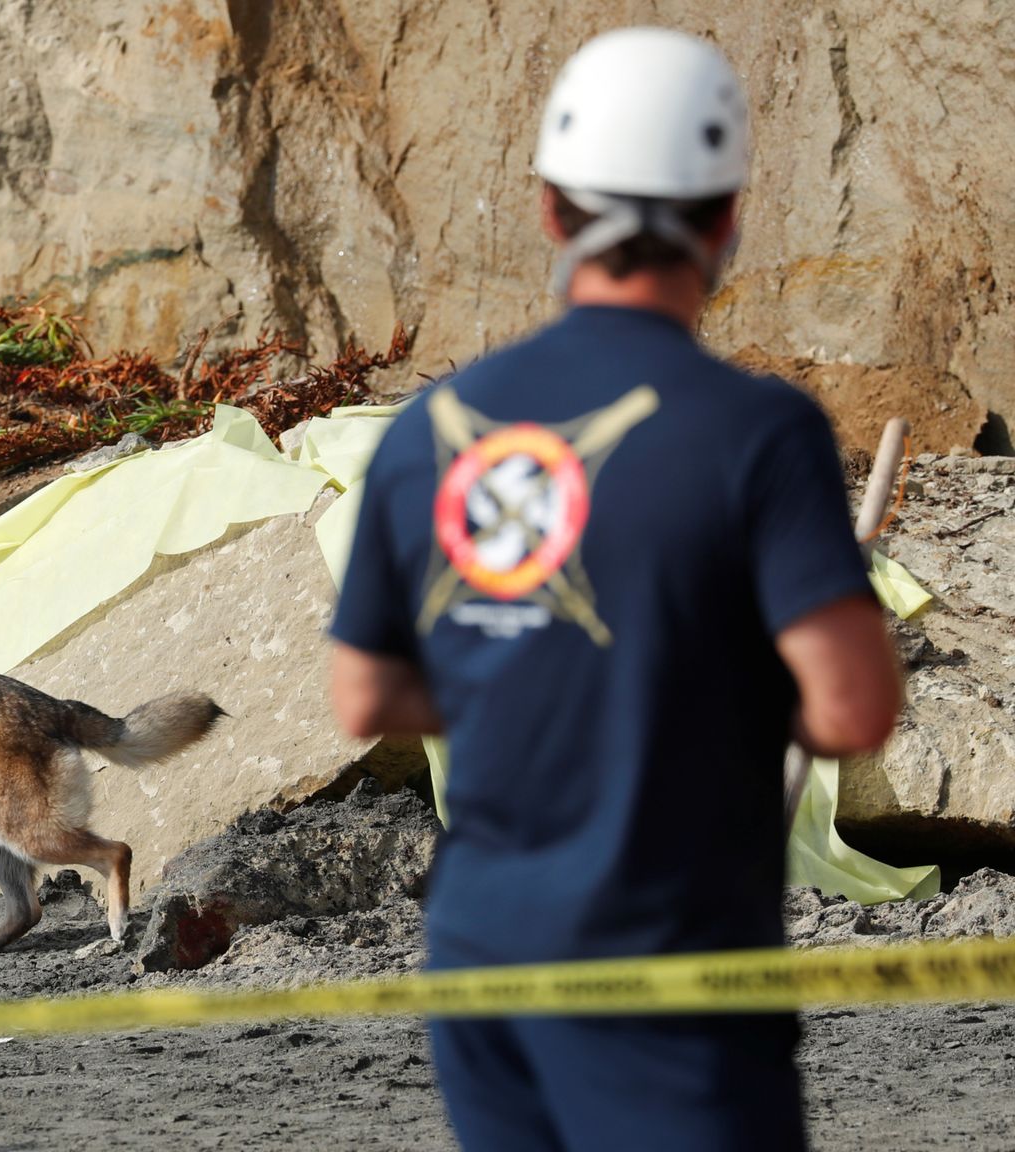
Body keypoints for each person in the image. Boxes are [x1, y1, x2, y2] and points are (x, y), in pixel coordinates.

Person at [325, 27, 902, 1152]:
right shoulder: (757, 432)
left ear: (549, 211)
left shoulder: (426, 432)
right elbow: (850, 710)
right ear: (725, 217)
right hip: (665, 949)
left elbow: (364, 697)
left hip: (482, 952)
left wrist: (538, 670)